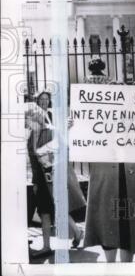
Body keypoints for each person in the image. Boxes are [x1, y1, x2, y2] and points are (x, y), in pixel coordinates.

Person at [83, 59, 135, 262]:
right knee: (107, 222)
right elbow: (82, 143)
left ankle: (126, 267)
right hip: (106, 174)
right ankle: (110, 266)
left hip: (131, 173)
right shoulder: (93, 117)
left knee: (129, 225)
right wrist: (73, 126)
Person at [27, 90, 86, 258]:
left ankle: (75, 233)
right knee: (47, 210)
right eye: (31, 117)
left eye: (34, 117)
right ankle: (51, 243)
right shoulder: (35, 133)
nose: (32, 119)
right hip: (42, 176)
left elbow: (60, 147)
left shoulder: (49, 129)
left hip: (49, 176)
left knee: (53, 208)